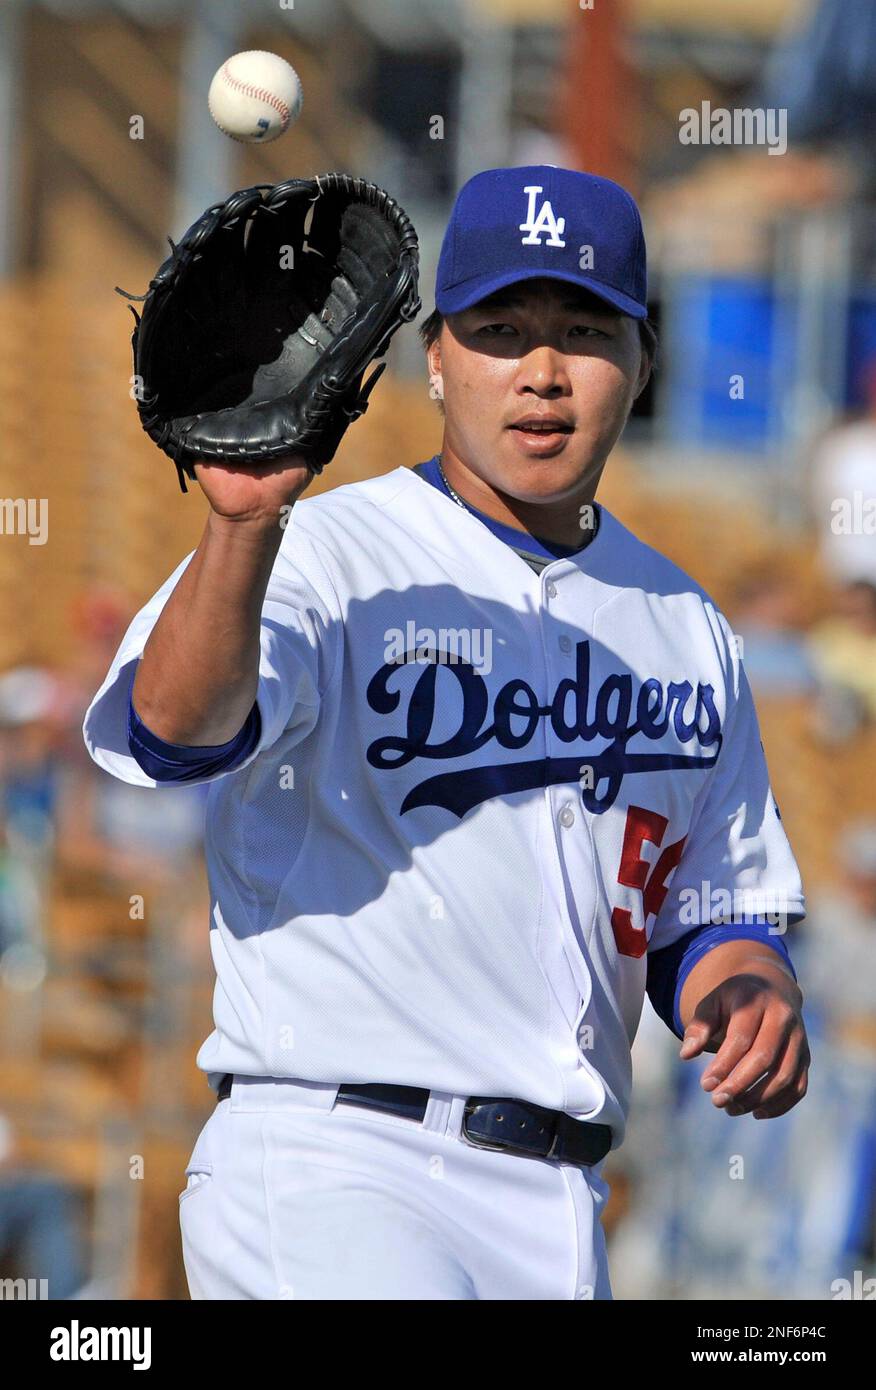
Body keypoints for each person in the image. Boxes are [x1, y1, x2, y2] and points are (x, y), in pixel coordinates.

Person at [83, 166, 810, 1301]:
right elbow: (175, 729)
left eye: (583, 329)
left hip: (564, 1201)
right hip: (343, 1163)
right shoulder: (324, 557)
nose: (542, 370)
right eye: (501, 328)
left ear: (644, 365)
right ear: (434, 359)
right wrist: (241, 526)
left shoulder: (686, 625)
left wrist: (744, 977)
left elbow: (708, 906)